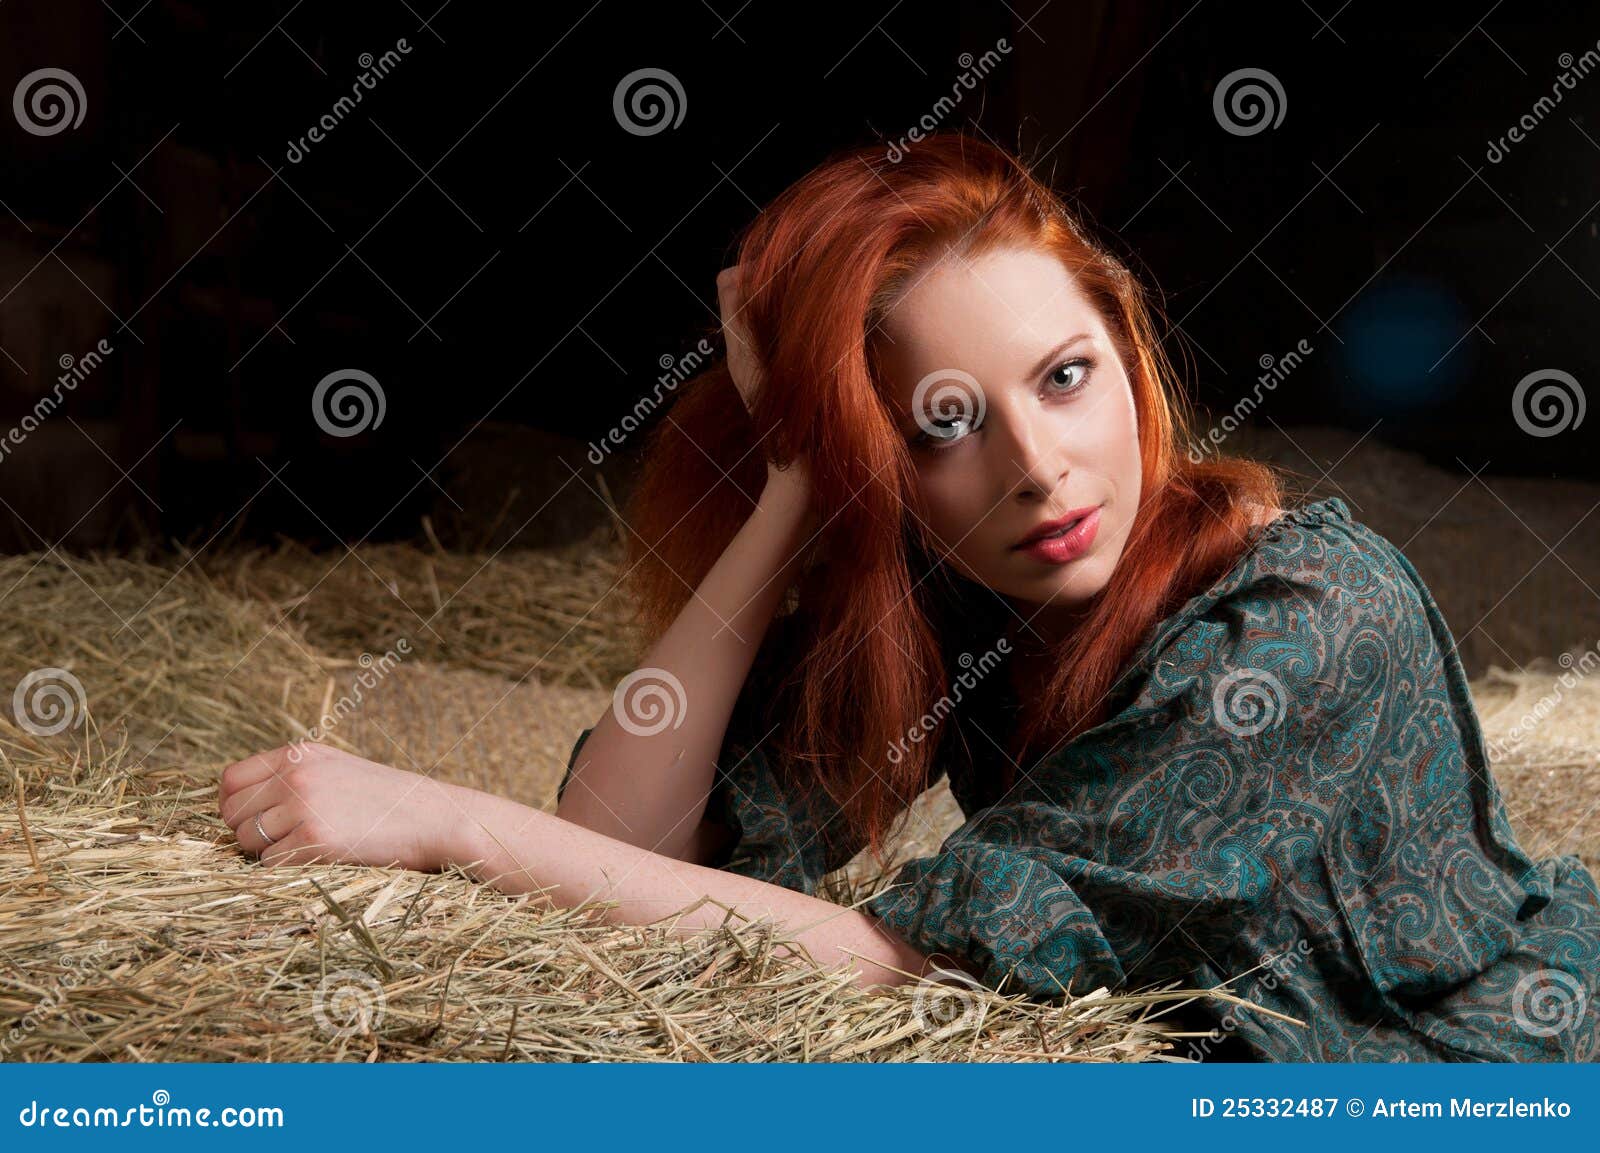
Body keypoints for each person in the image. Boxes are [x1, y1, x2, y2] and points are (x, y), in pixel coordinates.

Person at [218, 134, 1599, 1061]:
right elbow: (622, 841)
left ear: (1126, 349)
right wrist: (796, 491)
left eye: (1064, 377)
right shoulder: (970, 604)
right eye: (942, 426)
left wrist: (454, 820)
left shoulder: (1302, 617)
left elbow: (908, 966)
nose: (1038, 469)